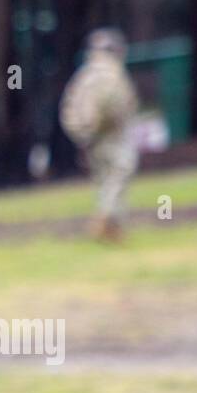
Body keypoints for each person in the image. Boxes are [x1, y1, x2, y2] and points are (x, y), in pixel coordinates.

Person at [59, 28, 139, 242]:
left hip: (91, 138)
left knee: (105, 180)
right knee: (120, 173)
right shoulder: (111, 72)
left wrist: (82, 134)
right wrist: (106, 125)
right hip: (110, 135)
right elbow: (117, 104)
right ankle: (106, 218)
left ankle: (114, 229)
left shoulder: (84, 75)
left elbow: (69, 108)